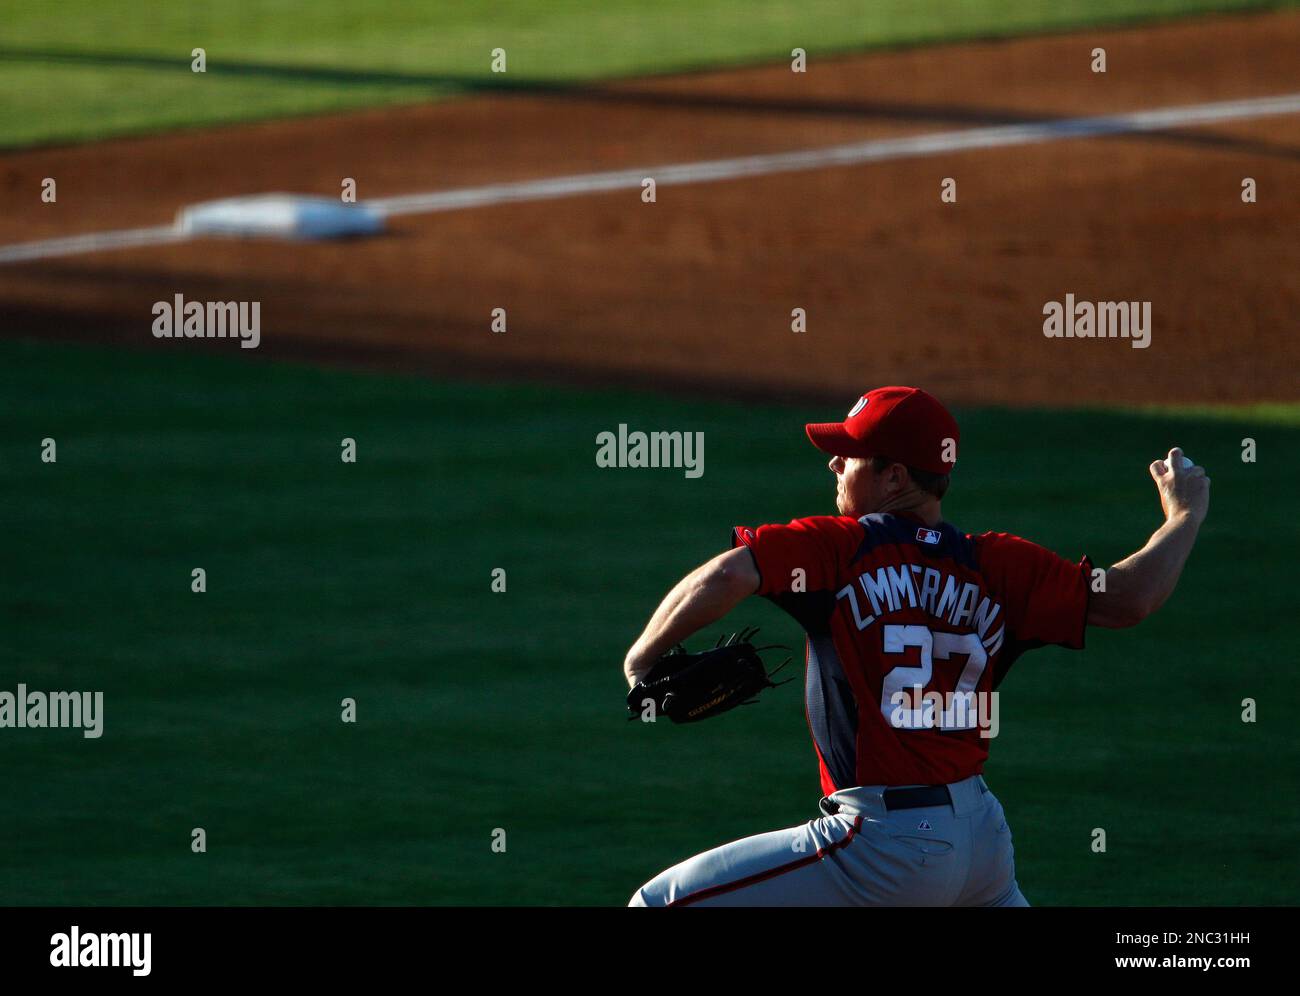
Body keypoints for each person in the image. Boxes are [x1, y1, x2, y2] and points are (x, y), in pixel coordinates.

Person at [623, 386, 1210, 906]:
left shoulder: (840, 548)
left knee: (658, 903)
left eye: (849, 455)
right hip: (982, 845)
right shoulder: (1002, 565)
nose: (833, 463)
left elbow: (729, 575)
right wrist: (1183, 515)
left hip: (882, 847)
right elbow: (1131, 597)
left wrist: (642, 659)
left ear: (895, 477)